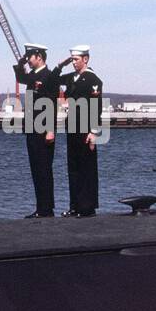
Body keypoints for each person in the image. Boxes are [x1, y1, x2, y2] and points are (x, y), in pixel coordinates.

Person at [13, 43, 60, 217]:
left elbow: (51, 105)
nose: (29, 60)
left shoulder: (49, 77)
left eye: (30, 57)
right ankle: (41, 208)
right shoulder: (33, 76)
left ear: (39, 57)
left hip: (43, 130)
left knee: (44, 169)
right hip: (32, 129)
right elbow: (20, 78)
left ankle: (47, 209)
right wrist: (21, 63)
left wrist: (50, 130)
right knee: (36, 170)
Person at [57, 45, 103, 217]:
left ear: (86, 59)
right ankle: (75, 205)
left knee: (87, 168)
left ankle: (87, 207)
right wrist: (61, 64)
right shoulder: (71, 78)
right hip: (73, 127)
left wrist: (93, 132)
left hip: (85, 128)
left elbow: (96, 107)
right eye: (72, 60)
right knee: (73, 168)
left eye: (76, 60)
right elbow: (52, 80)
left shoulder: (93, 80)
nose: (73, 63)